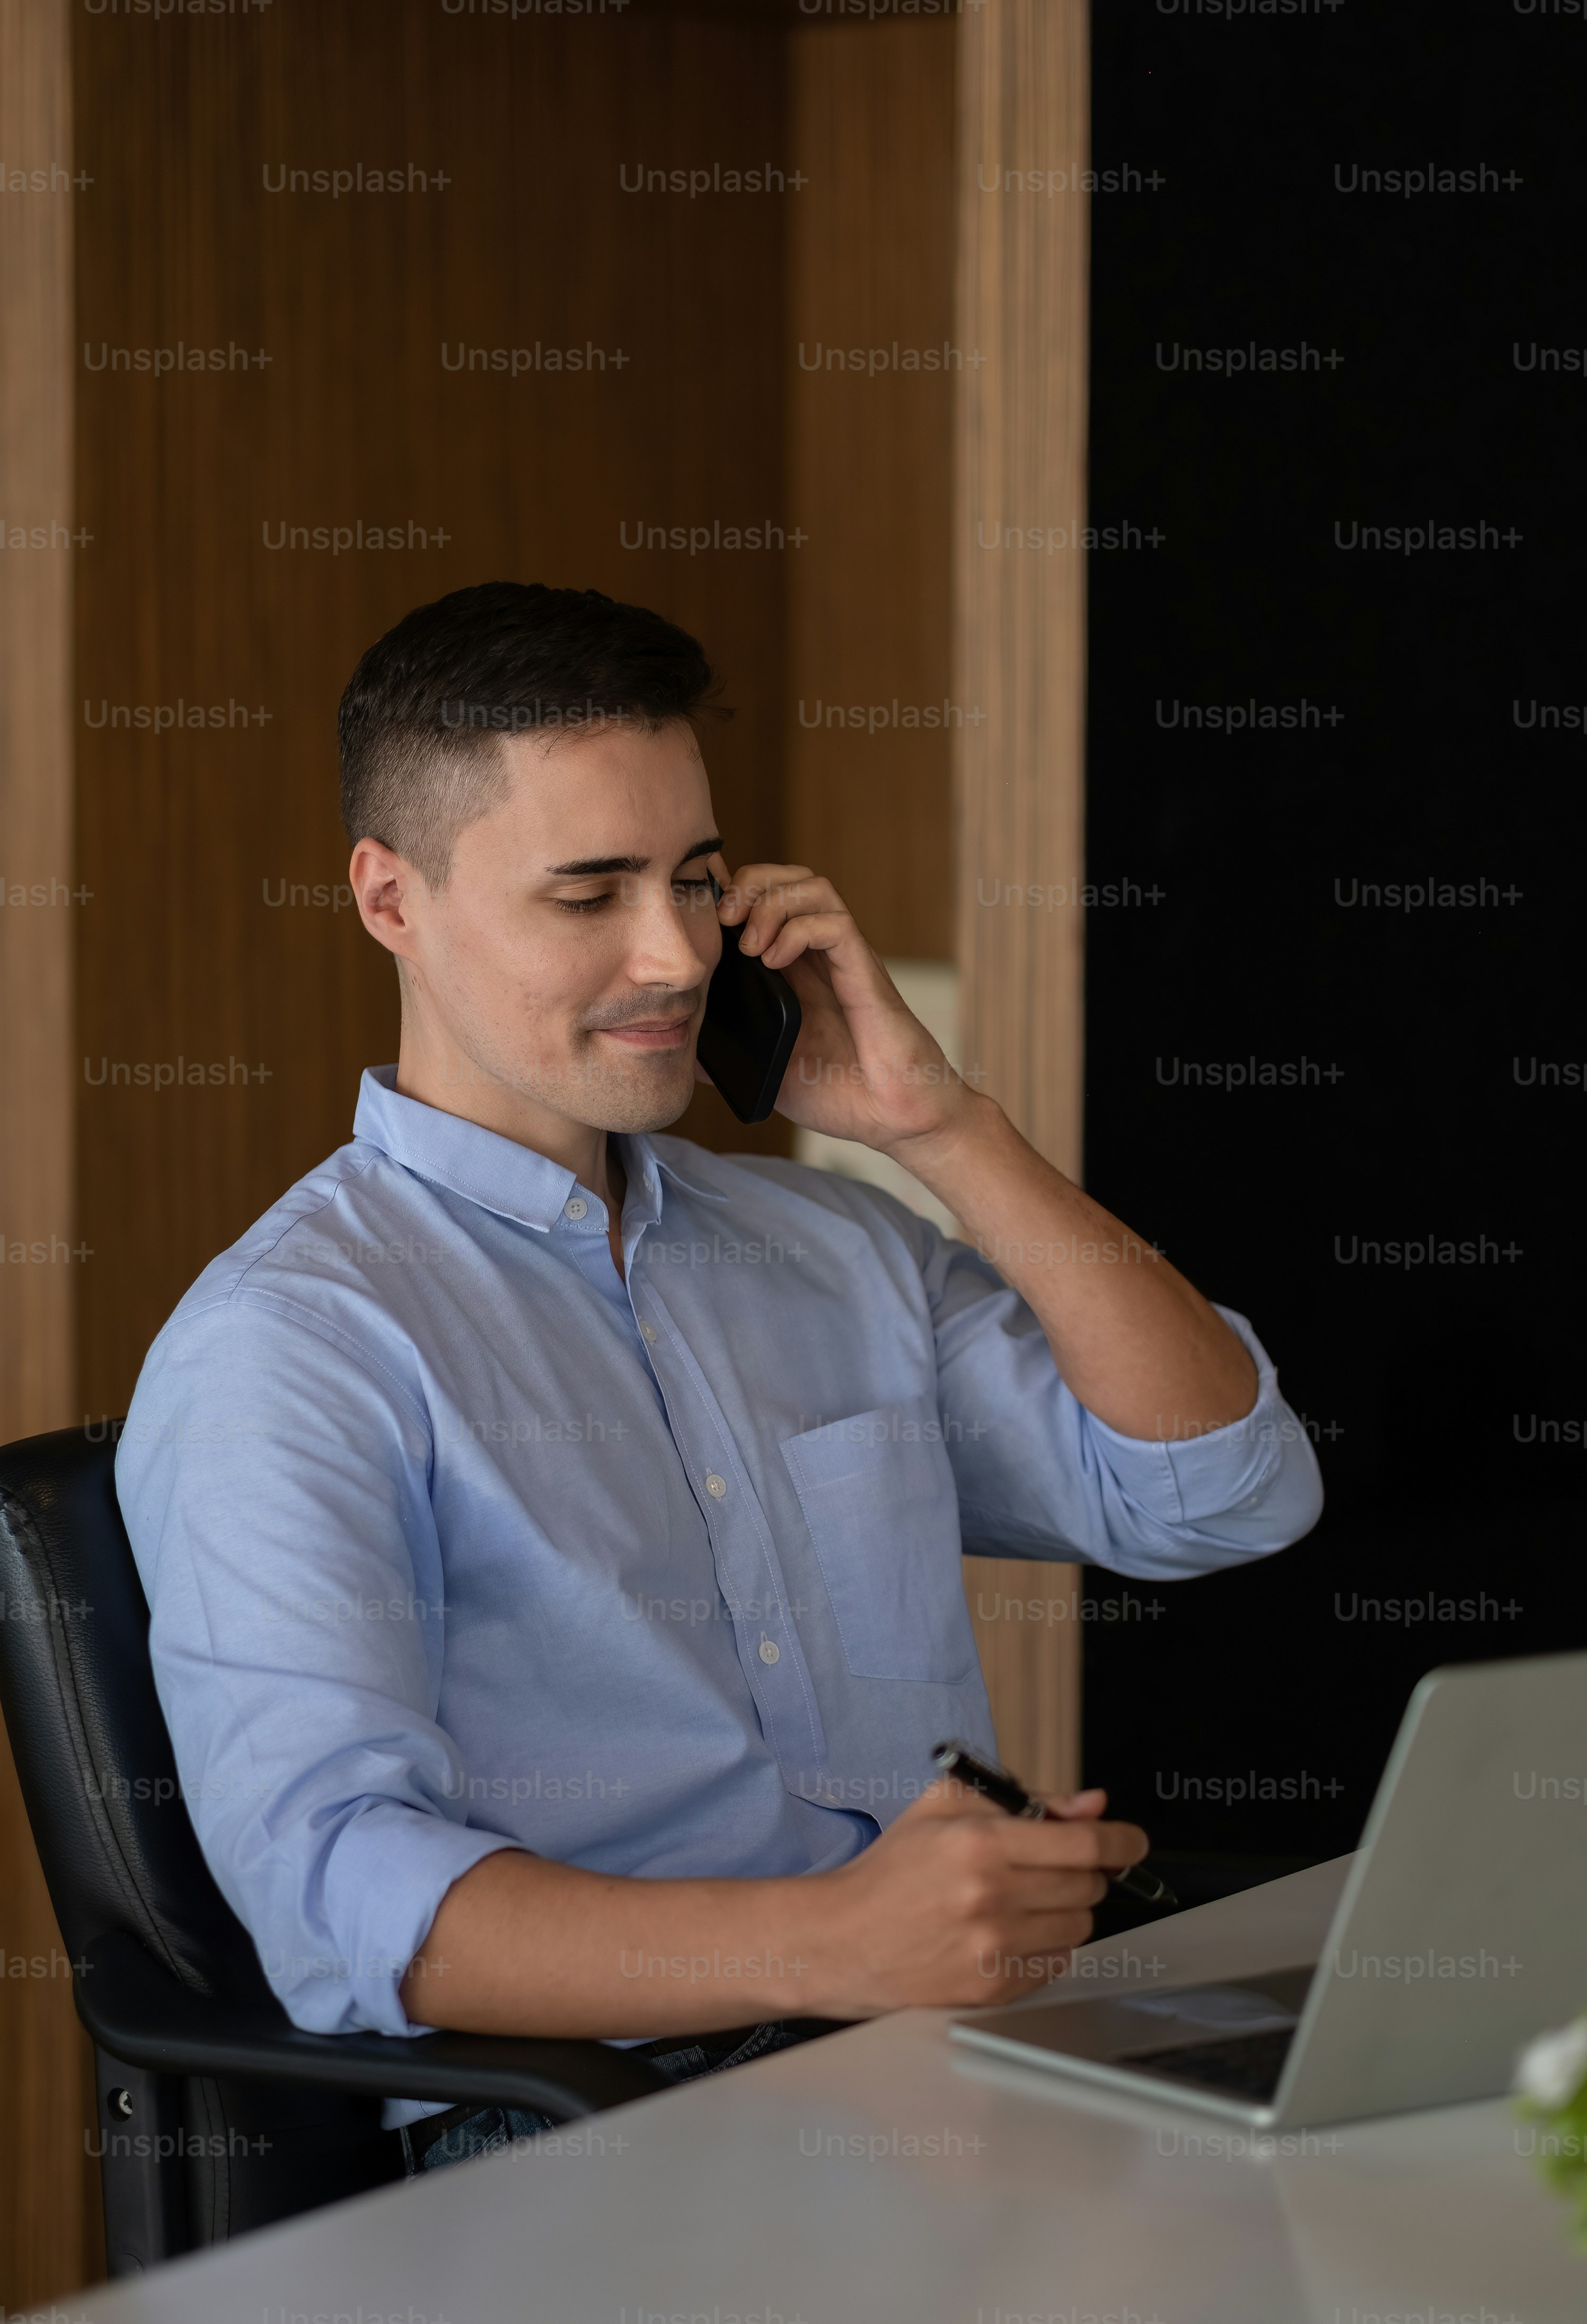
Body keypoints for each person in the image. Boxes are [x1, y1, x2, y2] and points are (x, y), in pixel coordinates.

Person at [117, 581, 1323, 2173]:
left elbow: (1226, 1489)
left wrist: (943, 1129)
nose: (675, 952)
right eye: (588, 892)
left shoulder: (833, 1244)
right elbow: (346, 1899)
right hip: (587, 2119)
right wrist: (827, 1941)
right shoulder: (292, 1344)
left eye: (696, 880)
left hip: (936, 2052)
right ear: (389, 898)